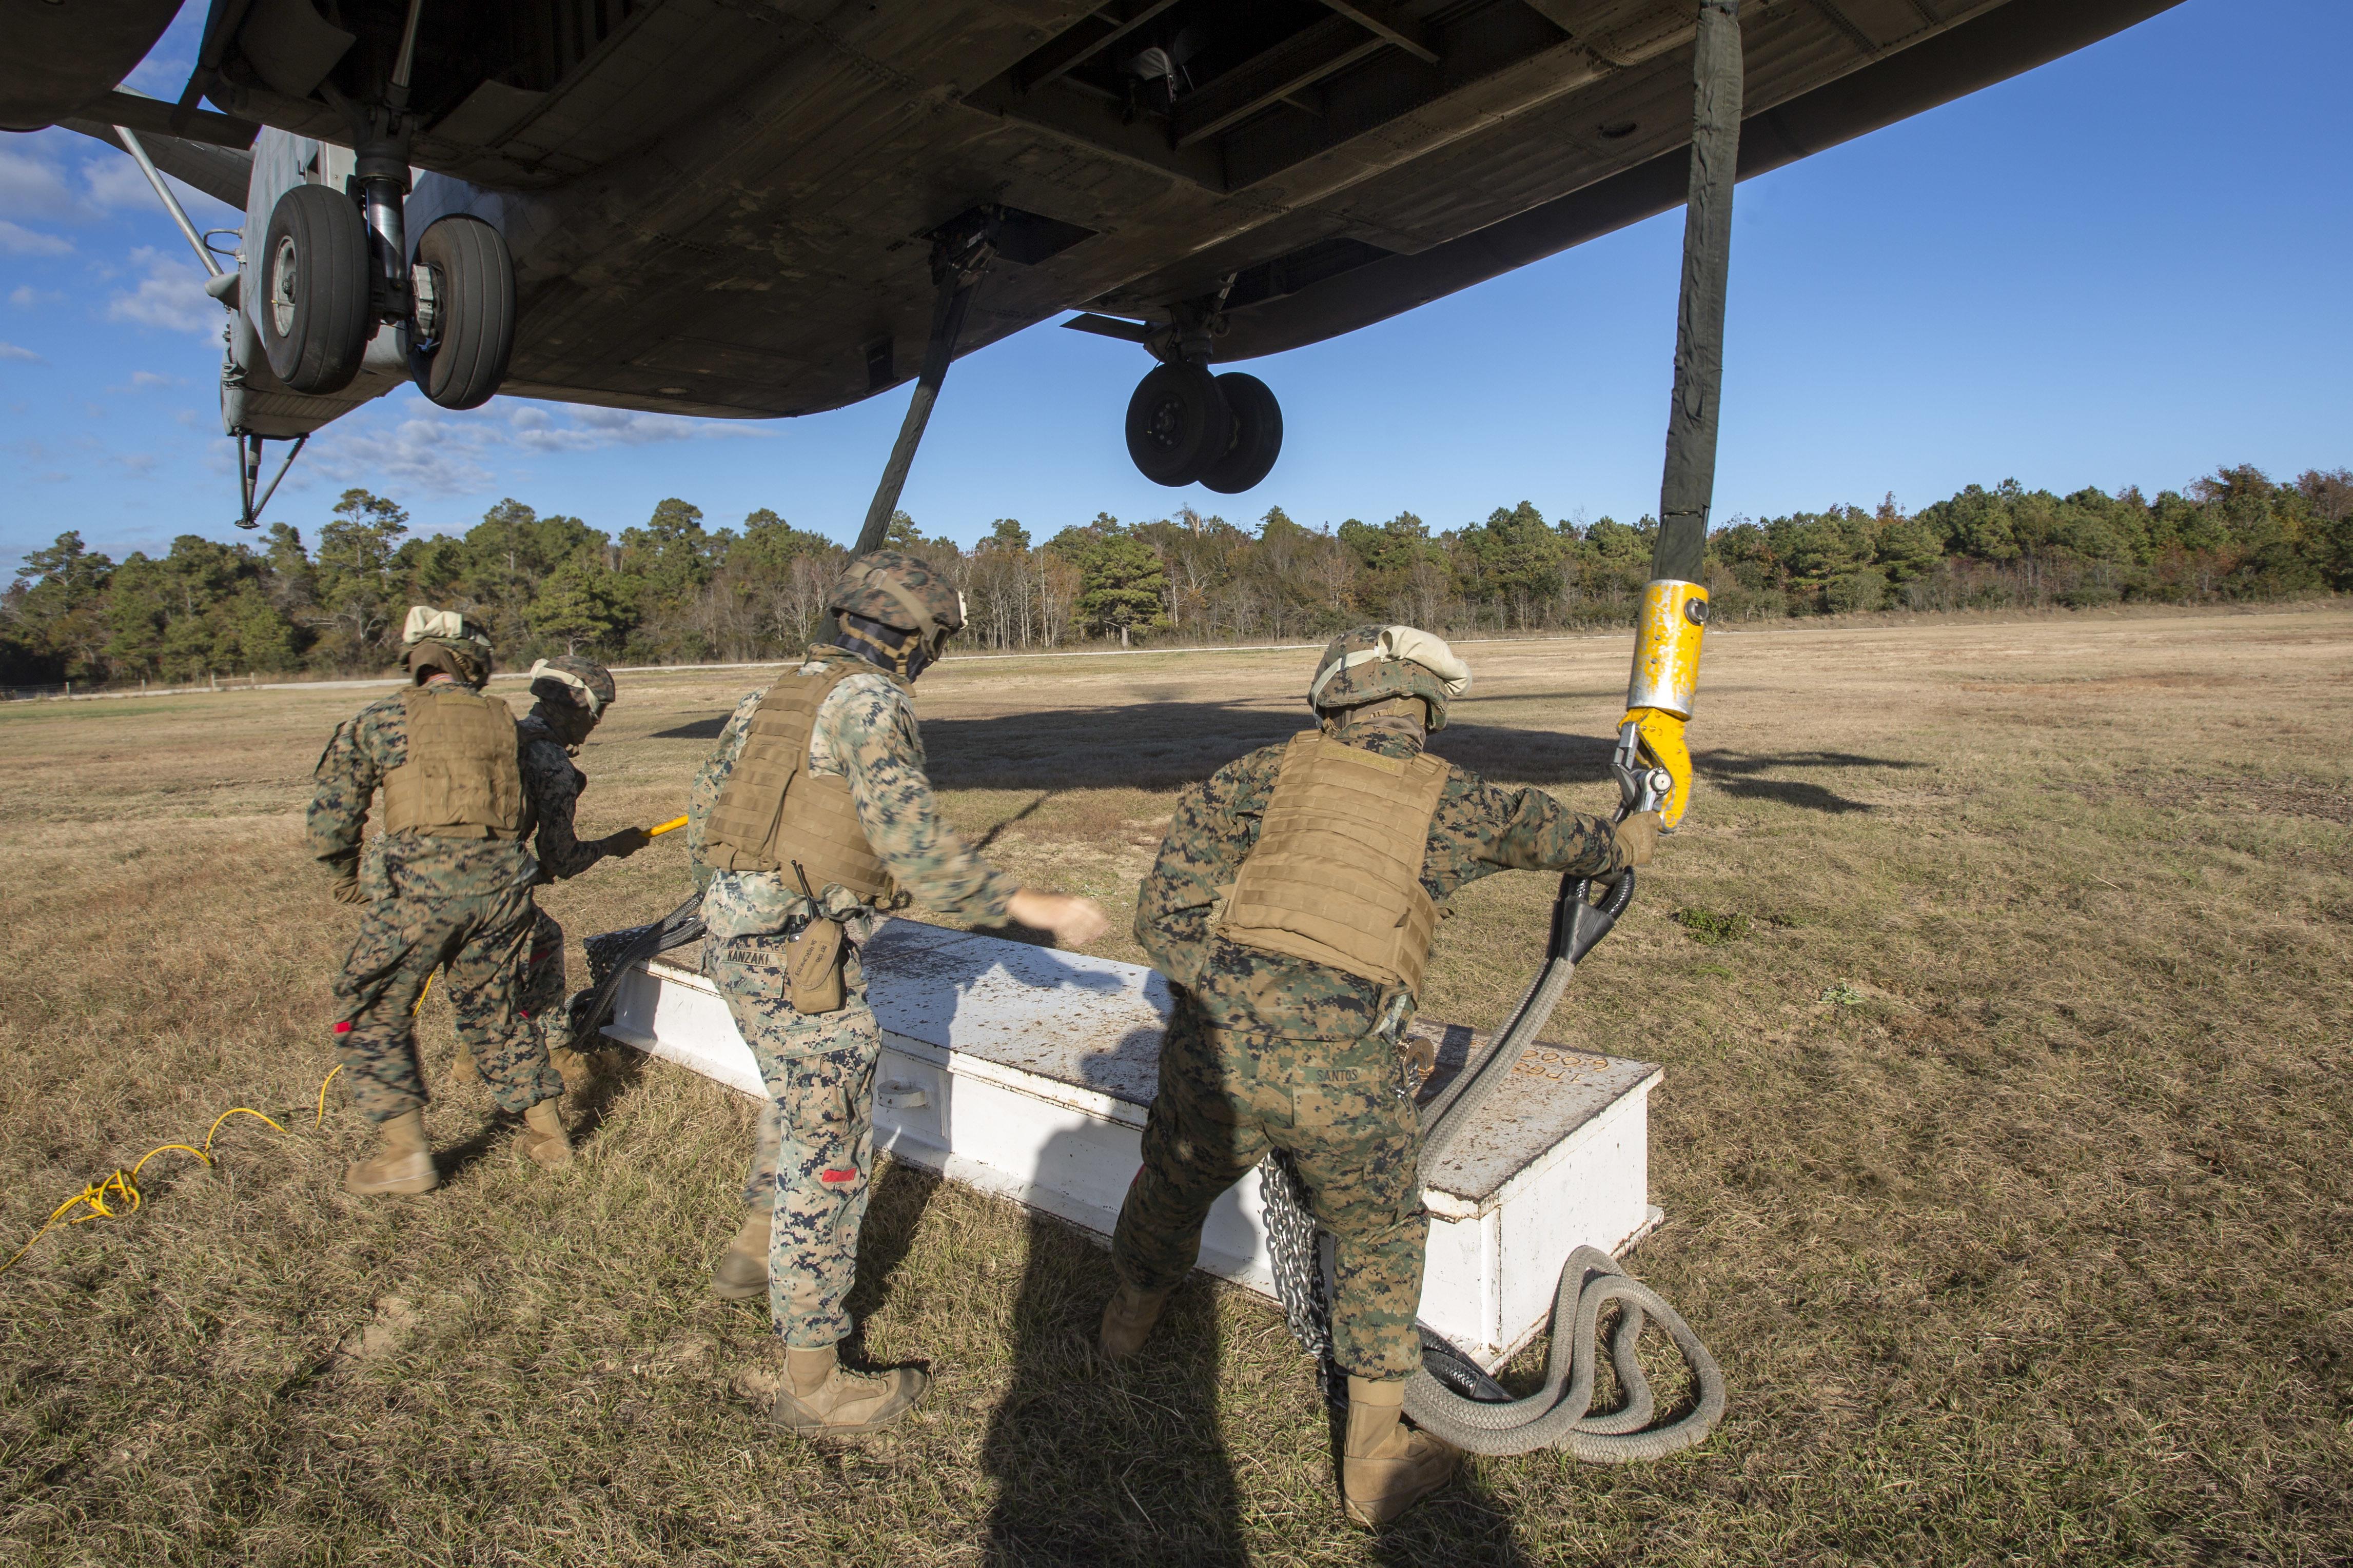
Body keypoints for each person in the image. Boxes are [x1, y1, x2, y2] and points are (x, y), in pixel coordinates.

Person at [1099, 625, 1662, 1526]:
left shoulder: (1254, 776)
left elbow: (1163, 918)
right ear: (1425, 707)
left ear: (1332, 696)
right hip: (1350, 1068)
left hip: (1218, 1047)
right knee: (1378, 1236)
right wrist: (1636, 834)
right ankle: (1371, 1466)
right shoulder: (1462, 801)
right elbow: (1584, 847)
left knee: (1172, 1181)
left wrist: (1233, 995)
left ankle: (1126, 1326)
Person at [687, 549, 1110, 1439]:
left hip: (734, 937)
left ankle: (753, 1250)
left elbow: (707, 811)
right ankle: (812, 1379)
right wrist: (1035, 910)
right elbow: (916, 850)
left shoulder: (775, 691)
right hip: (799, 953)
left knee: (796, 1100)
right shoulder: (868, 703)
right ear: (917, 636)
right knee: (831, 1149)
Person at [306, 610, 639, 1194]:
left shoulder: (384, 719)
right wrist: (608, 848)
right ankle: (549, 1136)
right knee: (500, 1012)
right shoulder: (506, 729)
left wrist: (345, 878)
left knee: (372, 1007)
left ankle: (405, 1154)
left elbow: (334, 818)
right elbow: (553, 847)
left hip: (420, 888)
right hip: (503, 891)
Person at [450, 656, 649, 1090]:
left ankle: (472, 1052)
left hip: (437, 872)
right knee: (542, 939)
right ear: (577, 708)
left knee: (481, 960)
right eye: (598, 713)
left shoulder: (509, 737)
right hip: (481, 883)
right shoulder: (551, 761)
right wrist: (614, 846)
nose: (595, 725)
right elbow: (564, 859)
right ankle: (555, 1050)